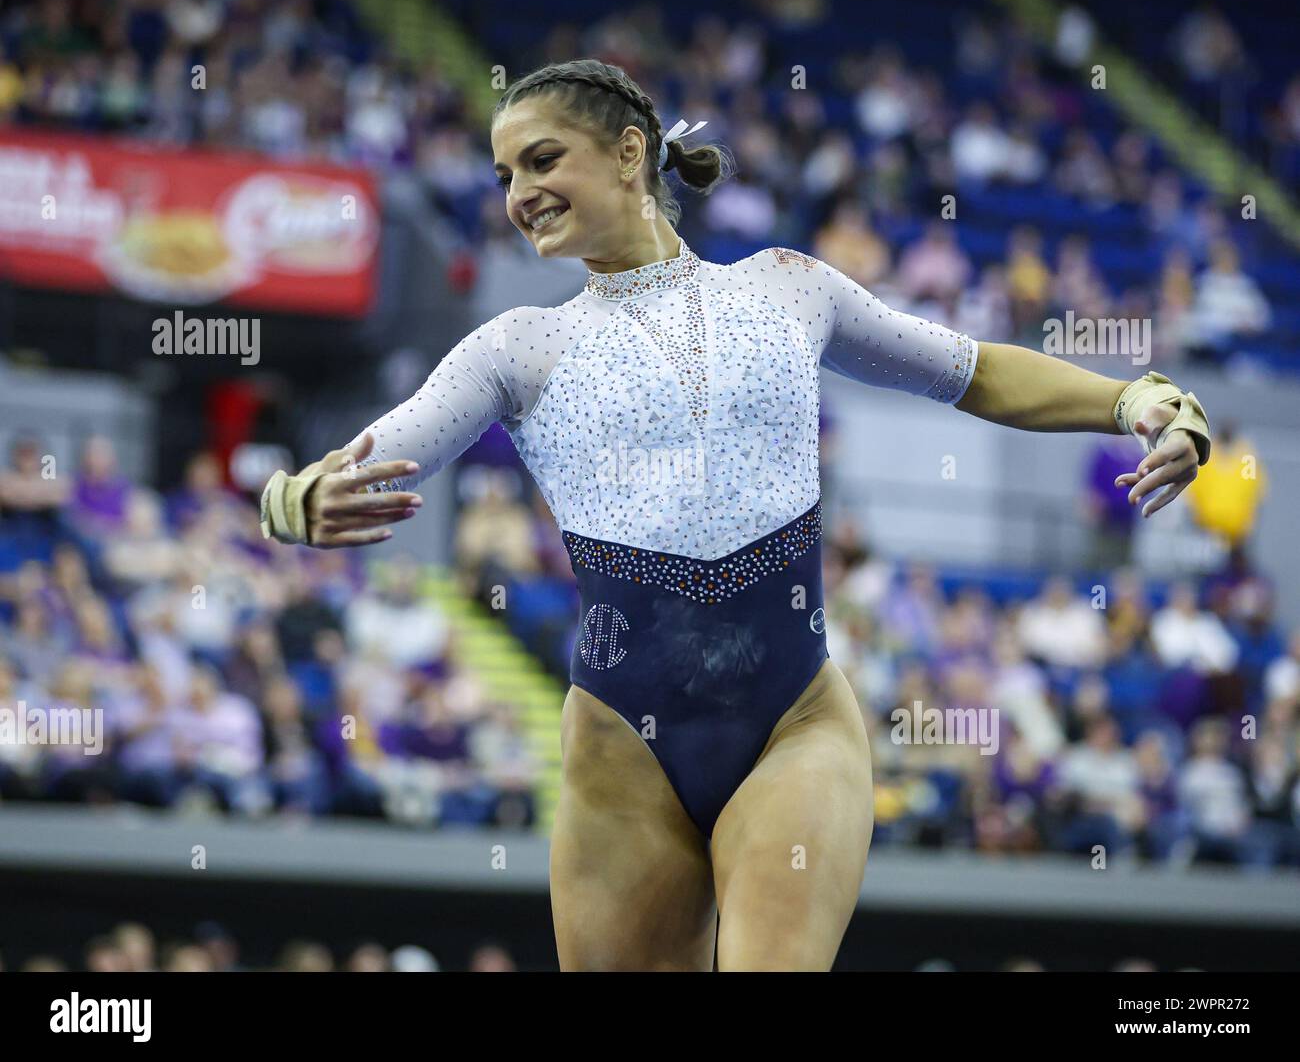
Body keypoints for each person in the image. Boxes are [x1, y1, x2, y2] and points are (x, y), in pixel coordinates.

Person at [258, 59, 1212, 971]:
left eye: (543, 160)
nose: (519, 193)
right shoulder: (517, 348)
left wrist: (1133, 401)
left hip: (793, 723)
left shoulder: (787, 288)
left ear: (631, 152)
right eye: (506, 174)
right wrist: (293, 499)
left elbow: (976, 369)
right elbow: (371, 456)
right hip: (620, 754)